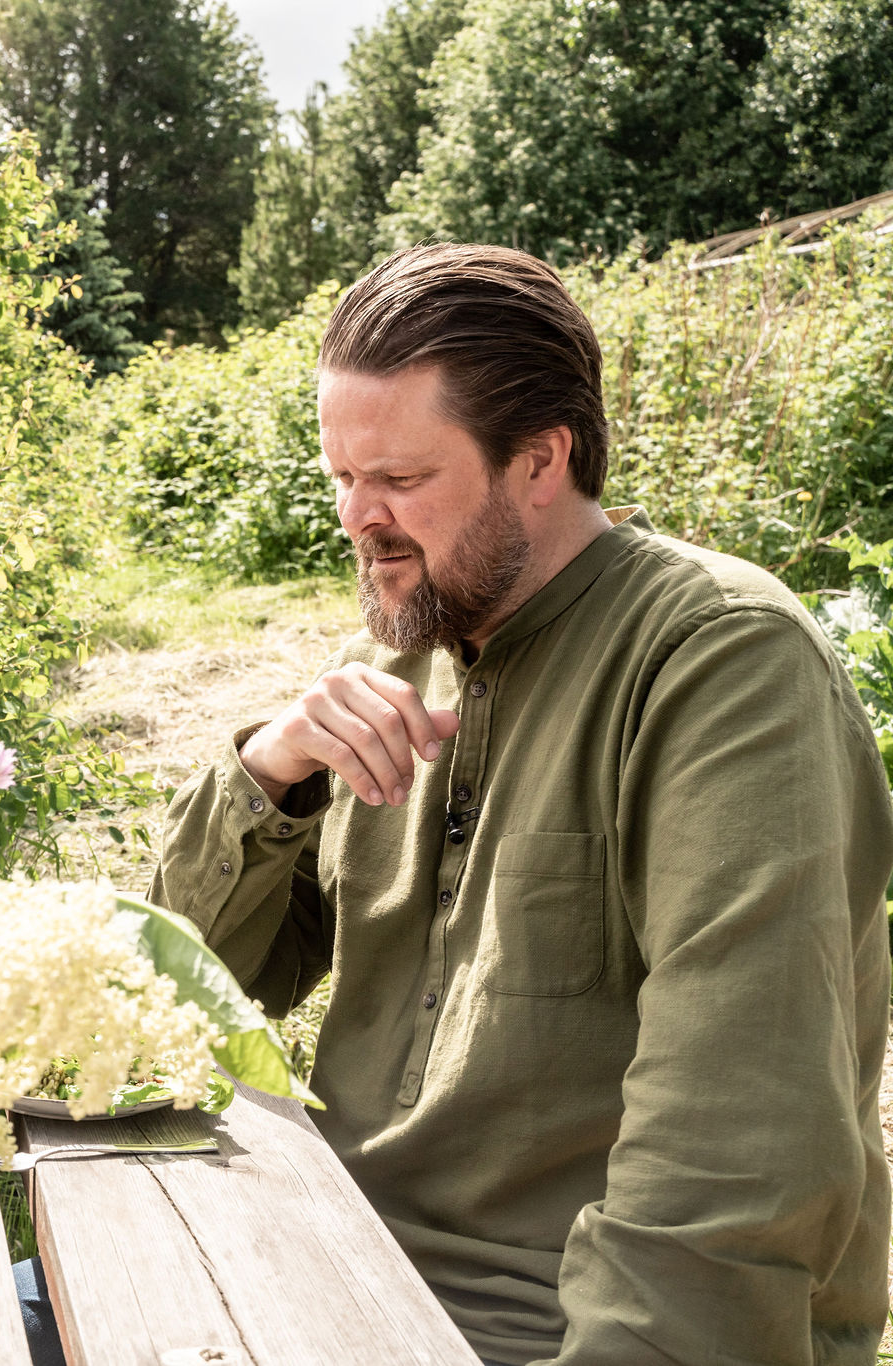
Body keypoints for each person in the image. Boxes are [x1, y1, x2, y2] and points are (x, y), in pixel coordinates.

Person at [147, 244, 892, 1364]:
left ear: (539, 460)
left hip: (544, 1325)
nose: (359, 518)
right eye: (339, 477)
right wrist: (271, 769)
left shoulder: (720, 662)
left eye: (398, 479)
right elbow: (171, 991)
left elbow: (740, 1142)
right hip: (319, 1254)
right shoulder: (391, 668)